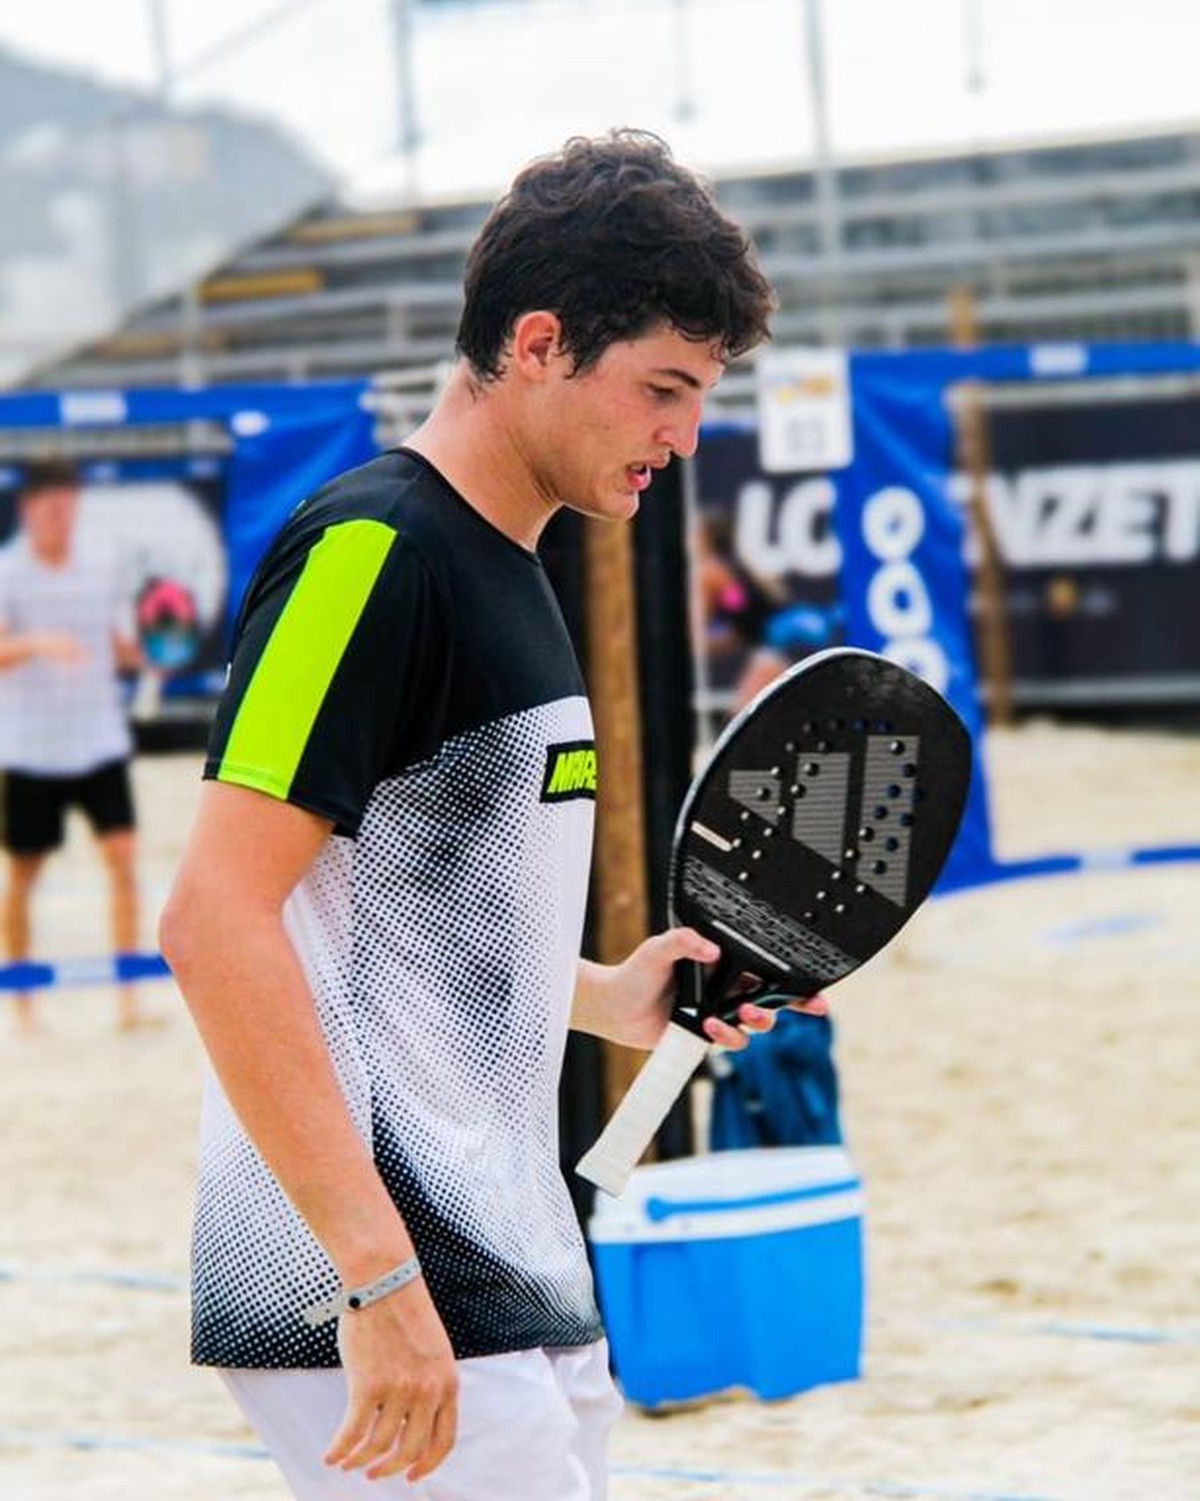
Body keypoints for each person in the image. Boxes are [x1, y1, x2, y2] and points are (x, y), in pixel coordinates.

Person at [160, 130, 822, 1500]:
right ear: (536, 343)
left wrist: (608, 997)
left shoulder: (513, 563)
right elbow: (214, 917)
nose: (685, 436)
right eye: (663, 389)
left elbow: (408, 932)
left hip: (519, 1260)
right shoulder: (370, 556)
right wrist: (376, 1274)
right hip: (378, 1277)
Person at [0, 458, 147, 1034]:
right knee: (24, 875)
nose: (61, 517)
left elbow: (118, 643)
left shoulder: (101, 565)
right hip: (32, 748)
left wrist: (144, 653)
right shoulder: (8, 571)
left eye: (69, 506)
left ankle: (130, 996)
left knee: (125, 862)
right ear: (29, 509)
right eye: (51, 506)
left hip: (100, 740)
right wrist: (35, 643)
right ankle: (24, 1000)